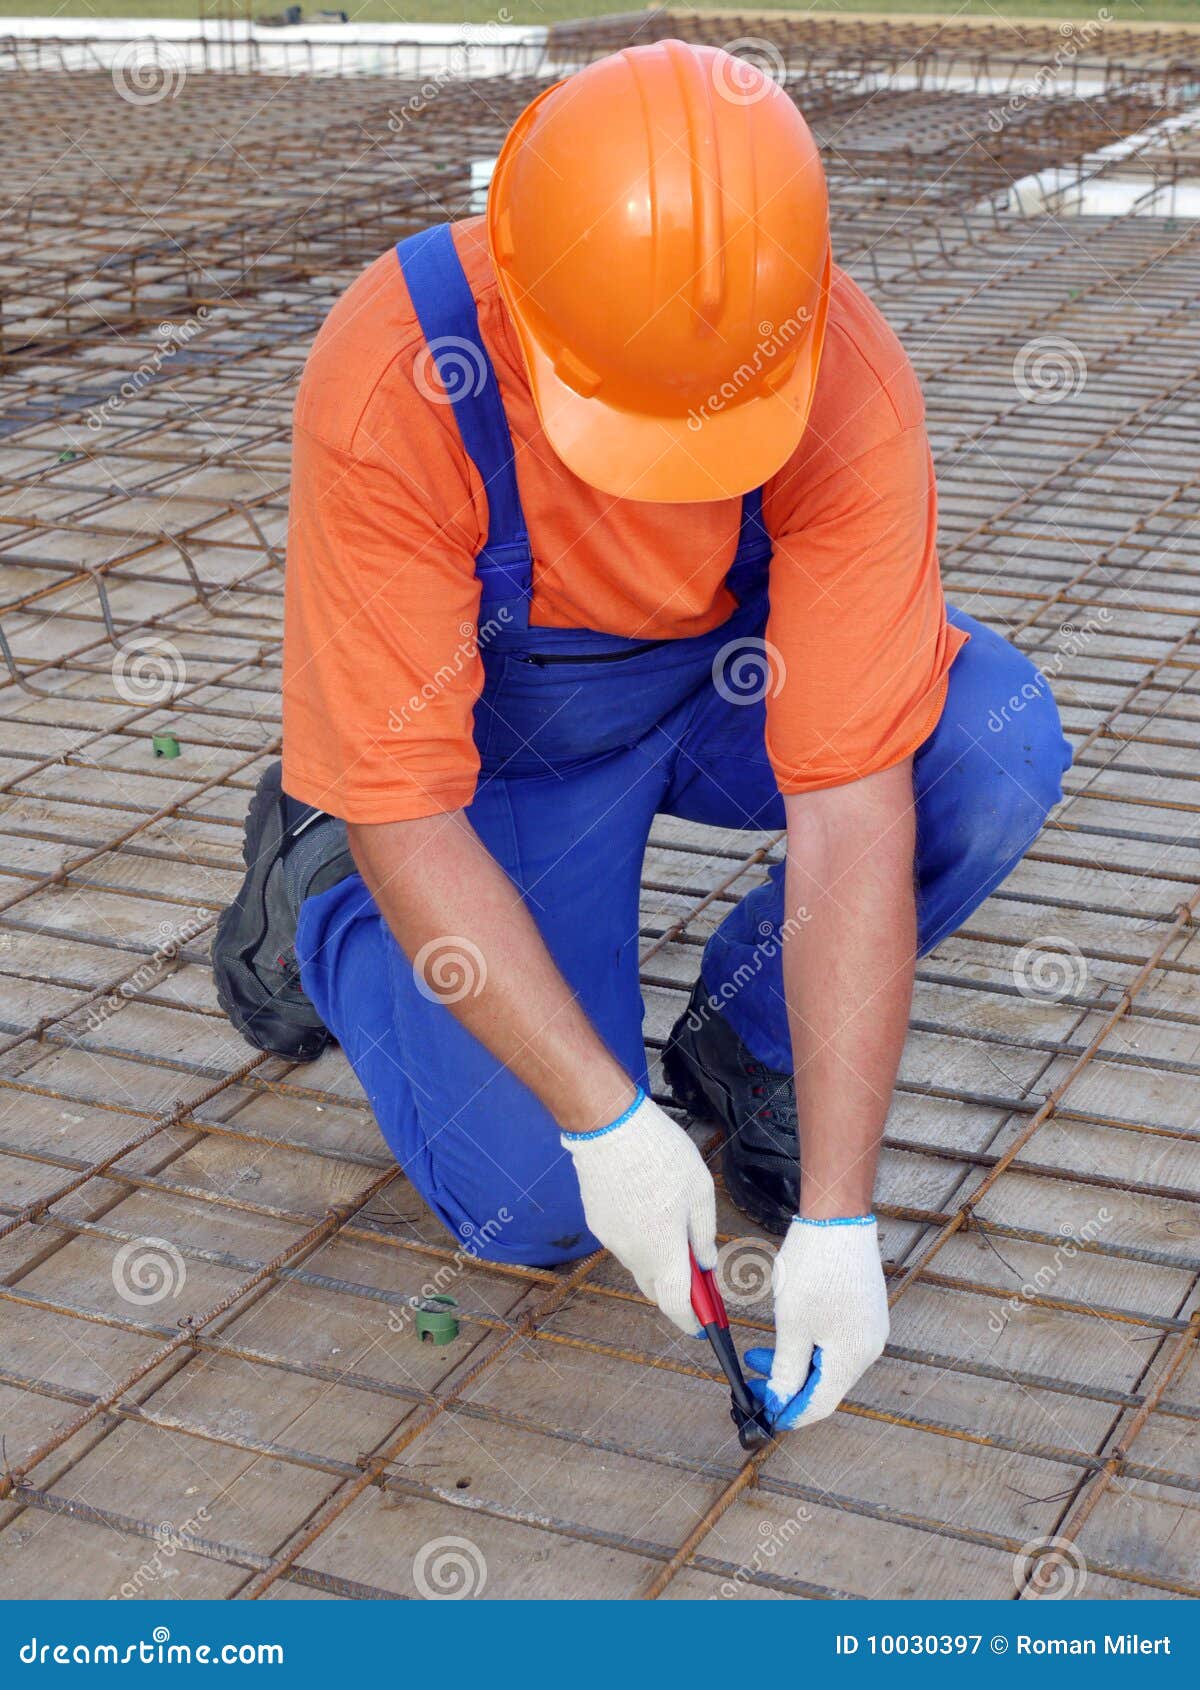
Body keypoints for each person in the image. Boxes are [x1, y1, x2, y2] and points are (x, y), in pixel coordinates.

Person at [213, 40, 1070, 1434]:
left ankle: (752, 1040)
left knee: (985, 744)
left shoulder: (839, 371)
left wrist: (843, 1215)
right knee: (531, 1198)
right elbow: (418, 810)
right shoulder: (399, 372)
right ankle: (323, 883)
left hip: (736, 685)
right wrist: (606, 1124)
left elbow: (853, 801)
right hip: (507, 745)